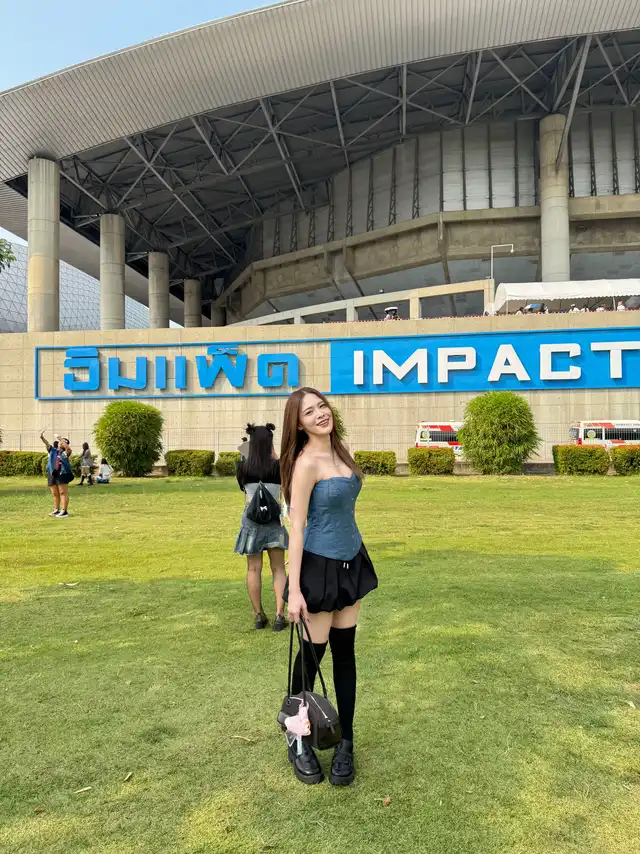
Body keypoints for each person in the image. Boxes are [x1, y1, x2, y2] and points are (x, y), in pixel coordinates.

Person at [280, 388, 378, 787]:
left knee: (345, 655)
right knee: (311, 657)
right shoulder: (305, 463)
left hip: (351, 561)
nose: (320, 414)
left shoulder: (342, 450)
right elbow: (297, 528)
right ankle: (296, 737)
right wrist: (294, 590)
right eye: (309, 412)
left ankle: (346, 742)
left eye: (322, 406)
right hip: (317, 568)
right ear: (298, 424)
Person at [235, 423, 288, 632]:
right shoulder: (278, 466)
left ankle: (258, 616)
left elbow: (242, 488)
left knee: (253, 568)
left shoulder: (243, 468)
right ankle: (279, 616)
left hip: (252, 521)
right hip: (274, 520)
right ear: (270, 443)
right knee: (278, 568)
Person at [40, 432, 74, 518]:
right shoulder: (53, 450)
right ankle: (56, 510)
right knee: (55, 493)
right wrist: (42, 438)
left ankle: (64, 511)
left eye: (63, 442)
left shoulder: (65, 453)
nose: (60, 443)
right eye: (60, 442)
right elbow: (47, 444)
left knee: (63, 492)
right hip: (52, 473)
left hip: (62, 473)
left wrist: (61, 438)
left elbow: (68, 449)